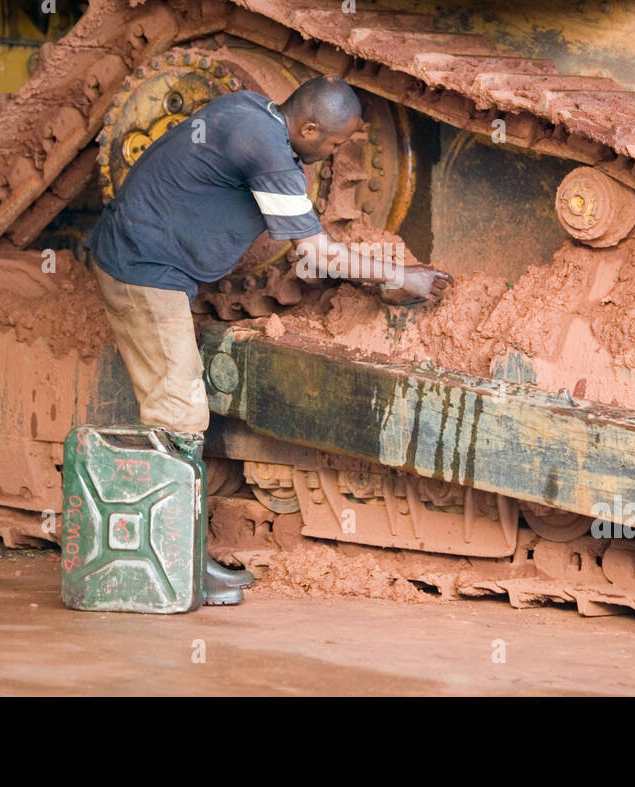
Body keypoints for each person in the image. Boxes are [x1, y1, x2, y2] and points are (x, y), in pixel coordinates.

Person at [86, 75, 452, 605]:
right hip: (143, 270)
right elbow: (317, 254)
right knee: (180, 412)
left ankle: (181, 558)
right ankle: (175, 563)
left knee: (178, 407)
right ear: (306, 127)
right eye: (331, 145)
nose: (332, 157)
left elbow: (306, 250)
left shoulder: (251, 110)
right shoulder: (266, 148)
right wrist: (399, 276)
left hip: (150, 260)